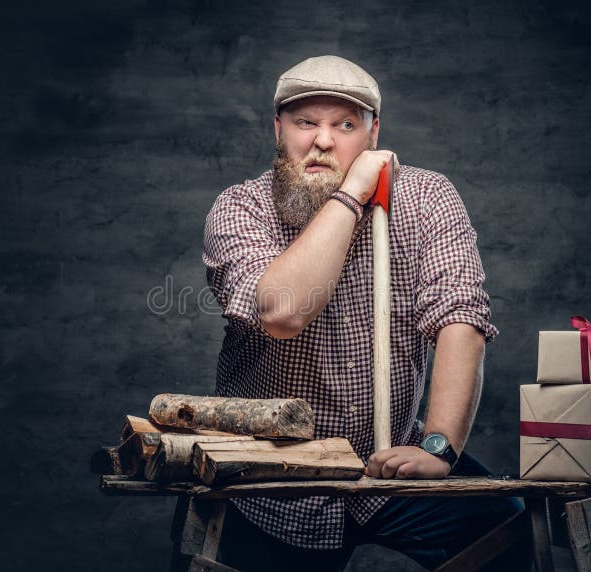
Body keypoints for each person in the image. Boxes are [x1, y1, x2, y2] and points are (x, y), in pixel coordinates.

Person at [202, 55, 530, 571]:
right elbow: (283, 312)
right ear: (278, 129)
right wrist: (352, 192)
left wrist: (438, 448)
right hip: (272, 485)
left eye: (345, 125)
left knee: (508, 530)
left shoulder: (427, 198)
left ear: (374, 133)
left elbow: (459, 318)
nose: (323, 141)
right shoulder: (241, 209)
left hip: (389, 463)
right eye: (306, 122)